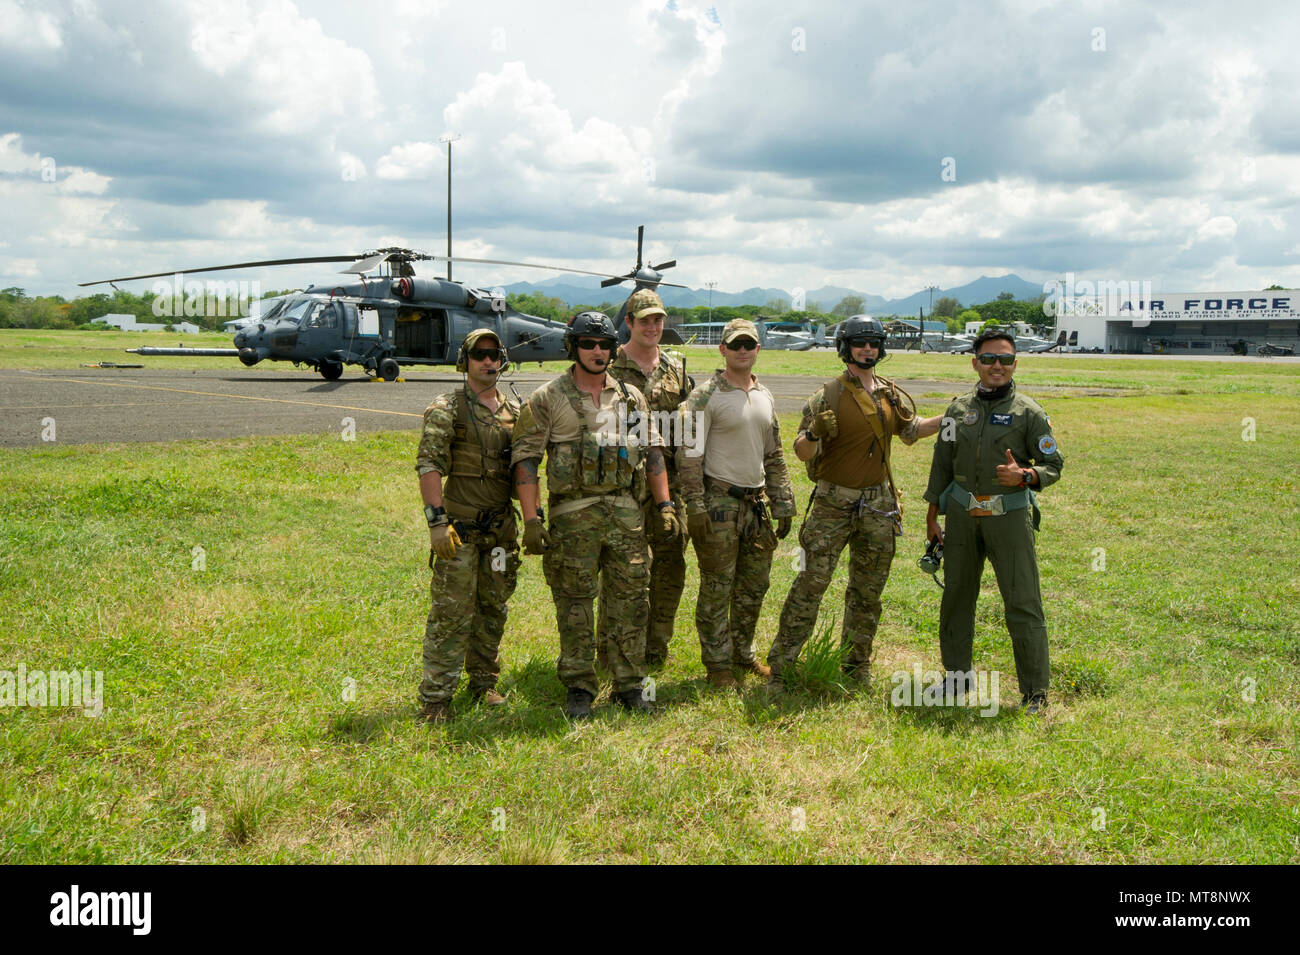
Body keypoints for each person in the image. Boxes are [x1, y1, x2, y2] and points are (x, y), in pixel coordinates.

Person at [510, 311, 682, 719]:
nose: (598, 351)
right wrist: (532, 519)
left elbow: (653, 452)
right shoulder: (548, 398)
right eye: (588, 343)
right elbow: (527, 462)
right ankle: (579, 685)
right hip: (574, 516)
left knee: (631, 600)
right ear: (573, 347)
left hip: (626, 515)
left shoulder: (630, 397)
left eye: (604, 344)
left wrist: (665, 506)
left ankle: (628, 683)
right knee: (574, 602)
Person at [768, 315, 943, 691]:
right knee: (811, 585)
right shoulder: (826, 395)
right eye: (860, 342)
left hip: (879, 504)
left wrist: (951, 418)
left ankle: (856, 665)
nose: (868, 349)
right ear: (845, 347)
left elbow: (910, 431)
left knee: (868, 592)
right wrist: (814, 432)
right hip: (833, 504)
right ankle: (781, 668)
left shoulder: (890, 394)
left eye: (874, 342)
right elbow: (801, 451)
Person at [923, 329, 1065, 714]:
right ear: (975, 363)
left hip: (1009, 519)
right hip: (963, 518)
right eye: (988, 359)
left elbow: (1053, 465)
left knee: (1022, 601)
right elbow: (942, 463)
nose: (996, 366)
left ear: (1015, 363)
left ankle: (1035, 692)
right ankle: (956, 680)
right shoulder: (956, 411)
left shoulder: (1029, 413)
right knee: (956, 598)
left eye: (1004, 359)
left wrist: (1024, 476)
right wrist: (932, 514)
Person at [678, 318, 795, 689]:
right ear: (722, 349)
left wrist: (783, 501)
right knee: (718, 586)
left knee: (753, 586)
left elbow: (773, 453)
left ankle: (742, 653)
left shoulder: (765, 395)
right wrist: (694, 505)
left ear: (758, 350)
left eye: (749, 345)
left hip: (756, 504)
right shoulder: (705, 395)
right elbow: (689, 454)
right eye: (735, 345)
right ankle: (717, 665)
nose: (742, 351)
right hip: (719, 503)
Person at [415, 329, 520, 723]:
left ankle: (483, 683)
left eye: (494, 355)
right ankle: (436, 698)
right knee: (451, 614)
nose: (488, 362)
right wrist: (436, 523)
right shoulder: (447, 408)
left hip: (499, 534)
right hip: (458, 533)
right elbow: (429, 466)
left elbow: (525, 470)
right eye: (480, 355)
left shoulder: (515, 411)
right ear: (466, 360)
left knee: (492, 608)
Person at [602, 287, 691, 669]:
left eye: (658, 319)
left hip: (671, 485)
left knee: (671, 567)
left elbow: (689, 433)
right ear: (629, 323)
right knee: (621, 571)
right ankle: (610, 650)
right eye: (644, 320)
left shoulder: (677, 368)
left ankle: (655, 648)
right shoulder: (609, 366)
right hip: (624, 484)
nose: (652, 327)